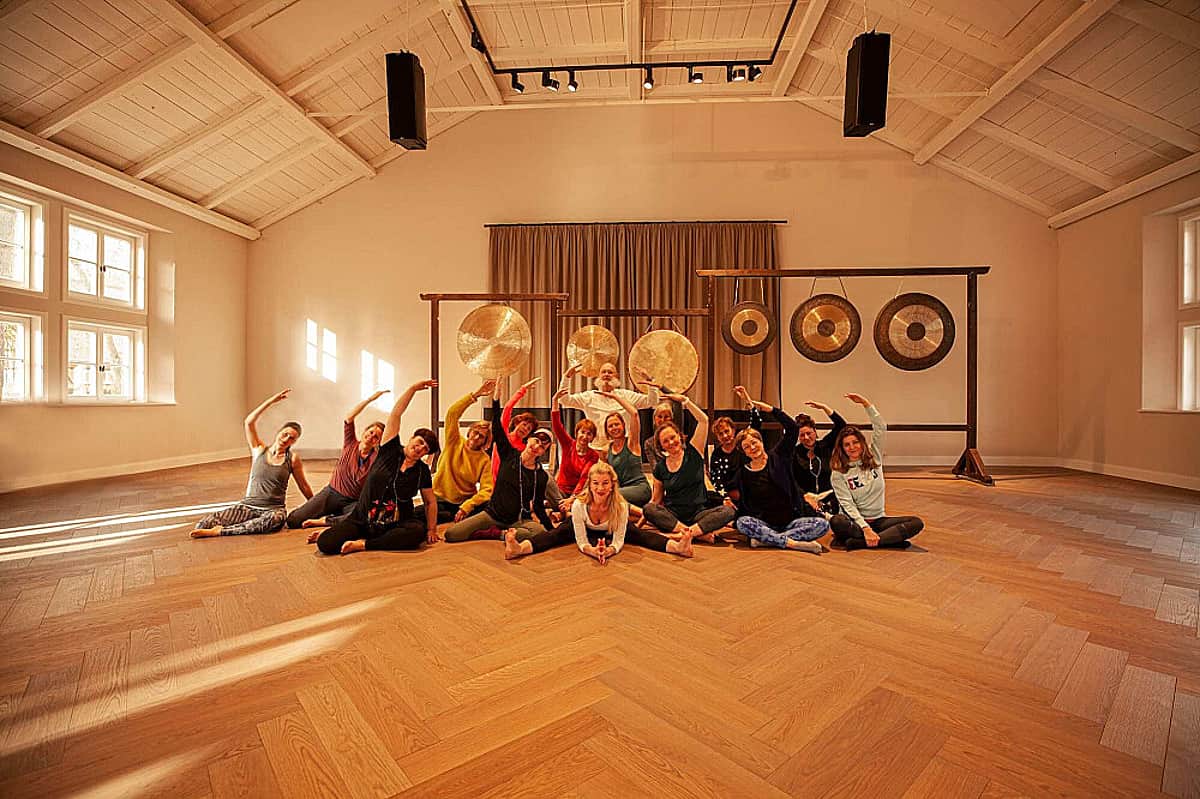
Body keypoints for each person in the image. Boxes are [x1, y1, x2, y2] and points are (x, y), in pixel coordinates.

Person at [313, 380, 440, 555]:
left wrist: (431, 529)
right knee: (326, 543)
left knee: (417, 533)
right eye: (419, 442)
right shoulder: (389, 449)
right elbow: (396, 414)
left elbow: (430, 502)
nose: (420, 448)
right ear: (411, 438)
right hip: (362, 519)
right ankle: (372, 539)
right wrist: (412, 389)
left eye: (425, 448)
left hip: (397, 522)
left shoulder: (422, 471)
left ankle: (364, 545)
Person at [503, 462, 693, 561]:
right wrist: (590, 551)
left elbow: (618, 540)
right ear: (590, 485)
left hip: (610, 529)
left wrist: (610, 550)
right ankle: (518, 549)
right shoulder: (579, 505)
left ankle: (679, 548)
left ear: (612, 485)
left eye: (605, 483)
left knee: (640, 535)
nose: (600, 488)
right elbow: (581, 539)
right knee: (555, 534)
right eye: (595, 483)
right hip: (584, 528)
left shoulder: (620, 506)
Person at [443, 381, 555, 543]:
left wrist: (551, 530)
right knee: (452, 534)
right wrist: (496, 399)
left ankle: (497, 534)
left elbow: (537, 506)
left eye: (543, 447)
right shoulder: (509, 453)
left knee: (538, 532)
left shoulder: (541, 475)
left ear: (544, 452)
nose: (537, 447)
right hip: (493, 512)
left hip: (518, 520)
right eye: (536, 441)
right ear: (530, 439)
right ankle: (497, 531)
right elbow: (497, 425)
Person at [192, 389, 314, 537]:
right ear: (279, 432)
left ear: (294, 442)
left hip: (273, 510)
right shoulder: (259, 449)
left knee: (274, 520)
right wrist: (271, 401)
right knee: (203, 524)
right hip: (248, 506)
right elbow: (249, 422)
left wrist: (318, 508)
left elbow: (304, 486)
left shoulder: (293, 459)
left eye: (291, 438)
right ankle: (239, 526)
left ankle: (221, 531)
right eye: (285, 434)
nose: (286, 439)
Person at [727, 386, 829, 553]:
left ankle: (767, 540)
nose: (752, 448)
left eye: (754, 442)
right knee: (742, 523)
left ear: (761, 441)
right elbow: (739, 500)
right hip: (765, 523)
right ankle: (792, 543)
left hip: (790, 521)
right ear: (744, 452)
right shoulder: (744, 473)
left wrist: (770, 409)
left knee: (822, 525)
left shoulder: (779, 455)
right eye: (747, 447)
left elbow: (792, 428)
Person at [829, 393, 924, 550]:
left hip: (879, 520)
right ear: (842, 448)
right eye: (847, 445)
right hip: (855, 523)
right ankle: (888, 539)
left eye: (855, 442)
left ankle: (860, 543)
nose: (852, 447)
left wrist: (866, 404)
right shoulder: (838, 473)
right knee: (837, 521)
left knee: (916, 522)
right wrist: (865, 528)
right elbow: (847, 504)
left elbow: (880, 428)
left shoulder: (875, 457)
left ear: (862, 443)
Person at [286, 390, 387, 529]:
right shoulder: (350, 442)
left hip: (352, 502)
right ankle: (335, 514)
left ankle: (326, 521)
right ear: (364, 431)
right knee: (293, 520)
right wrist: (370, 399)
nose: (371, 437)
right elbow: (349, 417)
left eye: (376, 437)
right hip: (332, 493)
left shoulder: (377, 458)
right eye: (370, 432)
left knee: (363, 518)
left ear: (379, 442)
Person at [642, 393, 735, 543]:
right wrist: (642, 522)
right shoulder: (660, 468)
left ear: (679, 436)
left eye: (673, 437)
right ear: (661, 446)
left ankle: (684, 534)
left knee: (728, 511)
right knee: (648, 508)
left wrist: (686, 401)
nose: (671, 442)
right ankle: (696, 533)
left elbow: (703, 420)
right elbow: (656, 499)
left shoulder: (694, 451)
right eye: (665, 441)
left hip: (699, 514)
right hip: (674, 516)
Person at [429, 379, 496, 523]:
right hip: (438, 497)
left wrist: (467, 506)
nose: (476, 437)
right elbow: (452, 414)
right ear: (470, 431)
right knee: (423, 515)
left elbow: (487, 489)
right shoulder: (454, 441)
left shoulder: (484, 460)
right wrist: (476, 395)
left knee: (489, 507)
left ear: (485, 442)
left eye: (481, 436)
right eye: (475, 432)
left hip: (463, 503)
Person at [558, 362, 658, 451]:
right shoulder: (589, 396)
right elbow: (563, 400)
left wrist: (649, 380)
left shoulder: (627, 395)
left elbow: (652, 401)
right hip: (597, 449)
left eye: (610, 372)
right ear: (599, 375)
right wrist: (567, 377)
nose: (606, 374)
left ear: (616, 376)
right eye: (603, 372)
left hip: (622, 449)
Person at [791, 400, 847, 512]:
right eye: (802, 435)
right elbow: (792, 480)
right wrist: (805, 496)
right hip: (806, 500)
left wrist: (824, 408)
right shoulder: (794, 453)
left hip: (829, 497)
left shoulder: (825, 445)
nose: (806, 438)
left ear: (815, 432)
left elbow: (841, 425)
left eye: (809, 433)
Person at [599, 391, 651, 506]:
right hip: (621, 492)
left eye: (617, 424)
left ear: (623, 425)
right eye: (610, 426)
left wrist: (615, 397)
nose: (614, 428)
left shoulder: (632, 442)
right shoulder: (606, 450)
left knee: (608, 495)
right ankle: (639, 513)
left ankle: (641, 513)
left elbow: (634, 414)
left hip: (640, 489)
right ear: (607, 430)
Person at [551, 388, 599, 511]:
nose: (585, 436)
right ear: (577, 433)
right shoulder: (568, 444)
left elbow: (583, 480)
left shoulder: (593, 455)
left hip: (579, 494)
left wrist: (572, 499)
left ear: (592, 438)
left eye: (589, 434)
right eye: (582, 432)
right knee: (546, 479)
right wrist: (555, 401)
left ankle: (561, 511)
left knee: (586, 496)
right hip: (560, 491)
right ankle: (564, 510)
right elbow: (557, 426)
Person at [641, 401, 676, 470]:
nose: (662, 420)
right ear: (654, 419)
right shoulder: (649, 443)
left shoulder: (678, 439)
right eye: (659, 416)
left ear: (671, 419)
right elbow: (655, 468)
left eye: (666, 417)